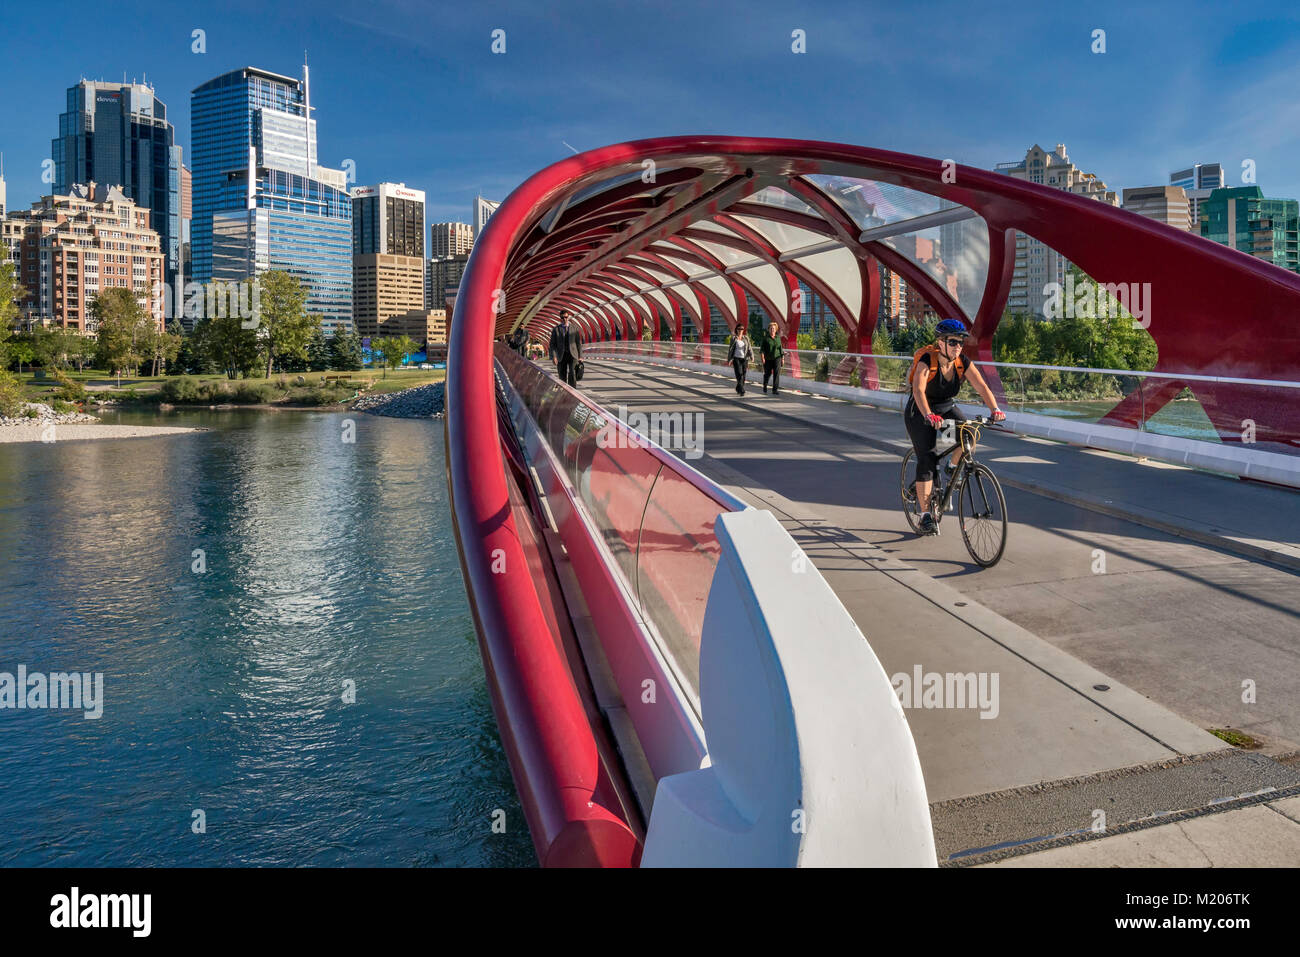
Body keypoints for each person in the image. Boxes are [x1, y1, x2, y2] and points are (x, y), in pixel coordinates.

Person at [904, 318, 1006, 536]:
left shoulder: (962, 363)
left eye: (960, 343)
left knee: (968, 435)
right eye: (953, 342)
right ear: (940, 342)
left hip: (945, 408)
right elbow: (918, 391)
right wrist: (929, 415)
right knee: (928, 457)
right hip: (921, 411)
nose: (957, 347)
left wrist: (995, 409)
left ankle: (952, 466)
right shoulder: (926, 360)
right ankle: (925, 516)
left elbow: (981, 386)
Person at [549, 310, 582, 386]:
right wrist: (554, 356)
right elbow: (552, 345)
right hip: (561, 355)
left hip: (573, 355)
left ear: (569, 317)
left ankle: (573, 391)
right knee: (562, 375)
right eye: (562, 317)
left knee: (572, 373)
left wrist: (580, 356)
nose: (564, 319)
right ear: (560, 318)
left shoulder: (575, 328)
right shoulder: (556, 329)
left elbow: (578, 343)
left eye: (566, 317)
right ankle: (563, 391)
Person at [726, 322, 753, 395]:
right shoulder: (734, 338)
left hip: (744, 359)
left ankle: (738, 388)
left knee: (743, 375)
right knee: (739, 374)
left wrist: (751, 356)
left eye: (742, 329)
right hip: (736, 359)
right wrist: (729, 359)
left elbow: (749, 348)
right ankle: (742, 390)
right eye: (739, 329)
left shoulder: (746, 338)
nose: (741, 330)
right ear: (736, 330)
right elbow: (730, 349)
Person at [759, 321, 784, 395]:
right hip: (768, 359)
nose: (772, 330)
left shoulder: (778, 338)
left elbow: (780, 348)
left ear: (776, 329)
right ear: (768, 330)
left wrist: (782, 358)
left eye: (773, 328)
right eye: (771, 328)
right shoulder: (765, 339)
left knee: (776, 373)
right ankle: (765, 385)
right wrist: (762, 358)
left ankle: (775, 389)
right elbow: (762, 350)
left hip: (777, 358)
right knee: (768, 373)